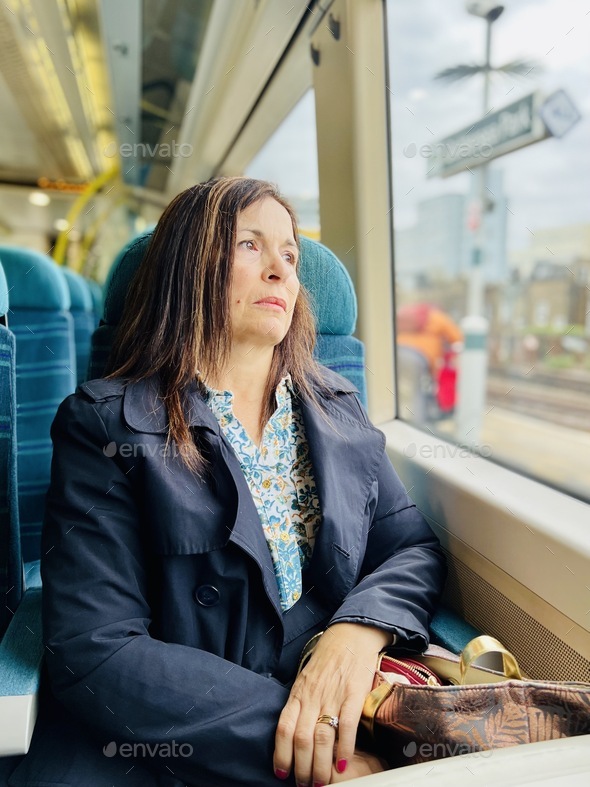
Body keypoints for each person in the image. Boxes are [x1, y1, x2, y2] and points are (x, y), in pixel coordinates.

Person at [12, 178, 446, 787]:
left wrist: (357, 633)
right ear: (190, 268)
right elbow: (98, 649)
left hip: (323, 702)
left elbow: (411, 548)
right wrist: (308, 738)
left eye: (290, 255)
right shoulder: (105, 425)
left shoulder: (336, 409)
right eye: (249, 246)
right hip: (172, 734)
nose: (281, 271)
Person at [396, 303, 463, 423]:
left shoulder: (410, 317)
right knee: (418, 391)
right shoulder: (438, 316)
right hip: (418, 357)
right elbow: (457, 337)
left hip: (398, 351)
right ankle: (417, 423)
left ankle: (399, 418)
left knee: (401, 390)